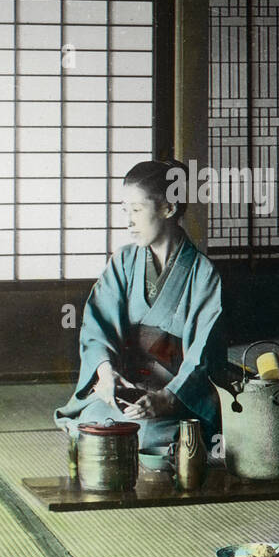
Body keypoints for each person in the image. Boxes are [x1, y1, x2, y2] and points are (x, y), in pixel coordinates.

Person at [55, 159, 226, 470]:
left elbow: (201, 355)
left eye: (136, 210)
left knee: (153, 440)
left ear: (168, 209)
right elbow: (97, 326)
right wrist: (106, 375)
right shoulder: (123, 261)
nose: (128, 221)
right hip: (125, 392)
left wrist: (164, 399)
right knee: (95, 427)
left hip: (174, 399)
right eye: (124, 211)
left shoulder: (203, 274)